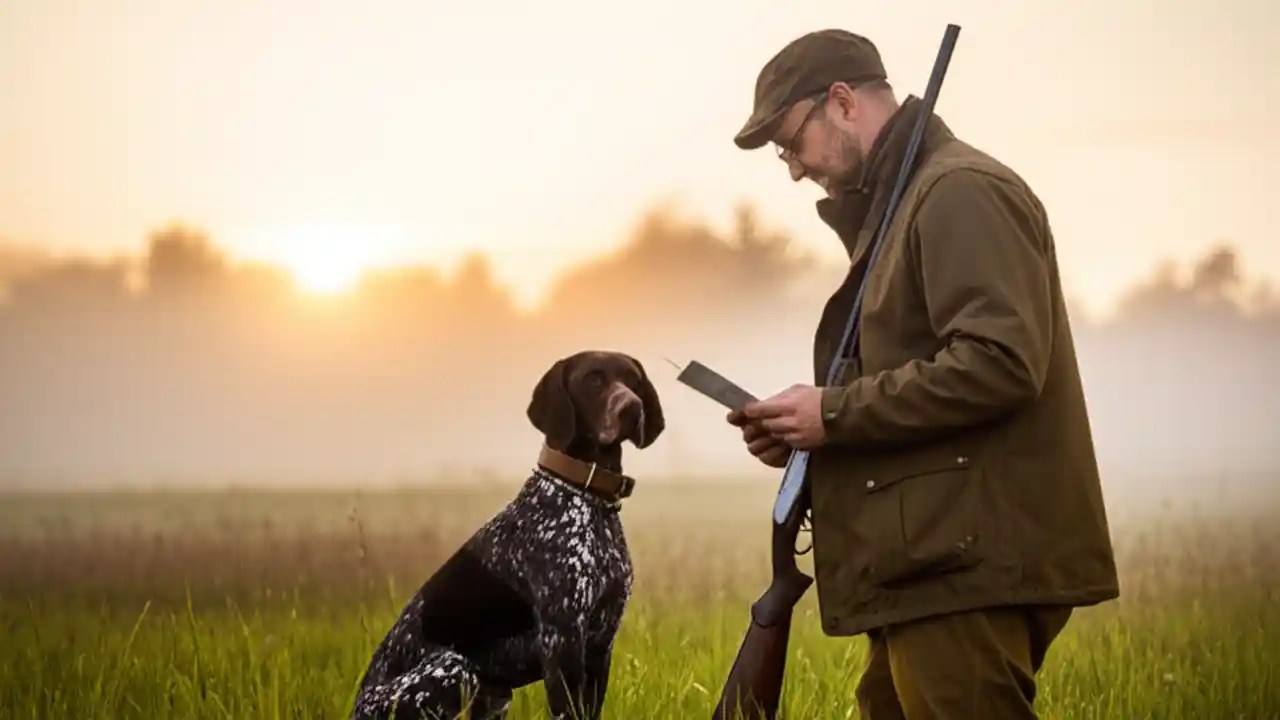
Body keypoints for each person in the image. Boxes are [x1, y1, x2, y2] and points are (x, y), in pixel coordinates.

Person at [726, 29, 1120, 719]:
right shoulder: (903, 205)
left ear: (842, 102)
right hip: (931, 562)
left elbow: (998, 363)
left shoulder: (957, 191)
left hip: (966, 564)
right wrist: (812, 436)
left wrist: (835, 414)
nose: (791, 168)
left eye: (790, 142)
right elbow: (916, 385)